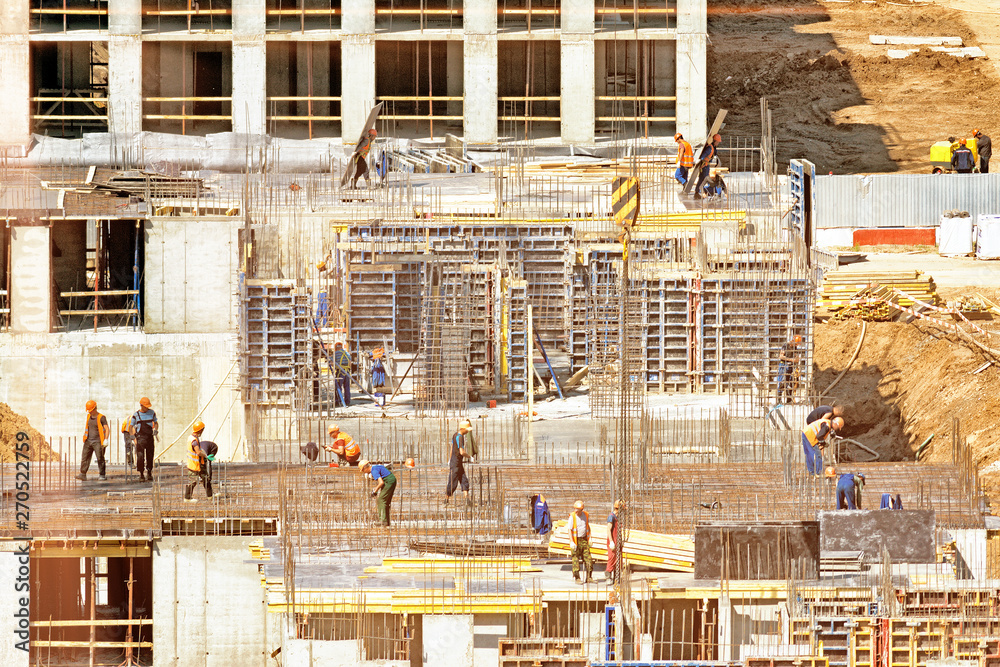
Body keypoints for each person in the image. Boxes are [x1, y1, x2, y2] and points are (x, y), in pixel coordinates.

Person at [76, 400, 108, 482]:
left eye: (90, 410)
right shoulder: (88, 417)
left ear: (95, 409)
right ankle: (83, 474)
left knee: (100, 458)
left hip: (98, 442)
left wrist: (106, 439)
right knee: (85, 458)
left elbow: (107, 429)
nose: (89, 412)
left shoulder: (101, 417)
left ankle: (102, 475)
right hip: (88, 441)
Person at [129, 397, 158, 482]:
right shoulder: (136, 415)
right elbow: (131, 426)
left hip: (149, 437)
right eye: (145, 406)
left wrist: (155, 430)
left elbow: (156, 423)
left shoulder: (152, 413)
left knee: (150, 455)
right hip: (140, 438)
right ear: (141, 405)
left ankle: (149, 472)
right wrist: (132, 436)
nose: (147, 408)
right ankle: (141, 474)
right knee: (140, 456)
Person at [361, 459, 396, 526]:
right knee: (386, 501)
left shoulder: (373, 471)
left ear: (365, 467)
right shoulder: (375, 467)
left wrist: (374, 491)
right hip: (391, 480)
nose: (364, 472)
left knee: (381, 500)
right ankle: (387, 522)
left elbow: (381, 482)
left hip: (388, 482)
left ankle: (383, 521)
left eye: (363, 470)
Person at [445, 420, 472, 504]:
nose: (467, 431)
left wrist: (450, 458)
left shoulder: (455, 435)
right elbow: (461, 451)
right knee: (453, 482)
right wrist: (469, 457)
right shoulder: (459, 437)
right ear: (463, 429)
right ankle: (446, 499)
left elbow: (452, 448)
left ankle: (467, 499)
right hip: (455, 463)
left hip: (458, 462)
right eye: (467, 430)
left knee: (464, 480)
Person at [183, 421, 209, 502]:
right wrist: (205, 455)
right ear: (200, 430)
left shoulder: (192, 437)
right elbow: (198, 452)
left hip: (198, 463)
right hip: (194, 464)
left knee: (206, 478)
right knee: (192, 481)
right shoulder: (194, 440)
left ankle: (210, 496)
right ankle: (187, 498)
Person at [568, 500, 593, 584]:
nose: (576, 511)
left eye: (577, 510)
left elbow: (588, 527)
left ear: (581, 510)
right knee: (575, 559)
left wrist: (590, 538)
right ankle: (577, 577)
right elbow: (569, 530)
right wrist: (572, 542)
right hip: (576, 540)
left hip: (584, 540)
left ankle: (589, 577)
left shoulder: (585, 515)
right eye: (575, 509)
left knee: (588, 559)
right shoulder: (572, 516)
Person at [693, 133, 722, 198]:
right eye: (718, 142)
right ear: (715, 141)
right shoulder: (710, 148)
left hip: (705, 166)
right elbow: (704, 155)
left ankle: (697, 193)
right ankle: (712, 192)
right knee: (708, 180)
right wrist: (700, 159)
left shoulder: (713, 147)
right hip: (705, 166)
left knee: (702, 179)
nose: (718, 143)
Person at [776, 336, 802, 403]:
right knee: (782, 381)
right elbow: (781, 356)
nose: (796, 345)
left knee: (790, 382)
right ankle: (779, 399)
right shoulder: (785, 345)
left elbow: (796, 355)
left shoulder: (795, 347)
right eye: (796, 344)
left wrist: (796, 359)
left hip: (790, 366)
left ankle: (789, 399)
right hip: (783, 365)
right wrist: (791, 359)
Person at [606, 500, 625, 585]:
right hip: (613, 541)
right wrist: (611, 541)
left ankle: (616, 578)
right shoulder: (611, 517)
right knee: (611, 558)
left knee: (618, 560)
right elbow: (608, 529)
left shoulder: (618, 517)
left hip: (618, 541)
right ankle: (608, 577)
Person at [334, 342, 352, 407]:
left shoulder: (335, 354)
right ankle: (347, 401)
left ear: (336, 348)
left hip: (340, 372)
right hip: (347, 372)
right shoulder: (347, 353)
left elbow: (331, 362)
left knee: (338, 387)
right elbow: (350, 363)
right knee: (347, 387)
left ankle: (338, 401)